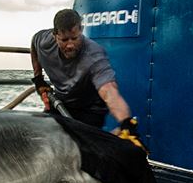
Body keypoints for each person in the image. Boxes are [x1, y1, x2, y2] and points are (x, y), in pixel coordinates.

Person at [30, 8, 140, 138]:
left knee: (84, 148)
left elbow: (109, 91)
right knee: (44, 138)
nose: (70, 45)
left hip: (90, 109)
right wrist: (38, 79)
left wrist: (125, 122)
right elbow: (34, 44)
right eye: (64, 40)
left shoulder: (94, 54)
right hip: (63, 101)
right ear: (55, 35)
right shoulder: (44, 41)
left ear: (81, 31)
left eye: (74, 38)